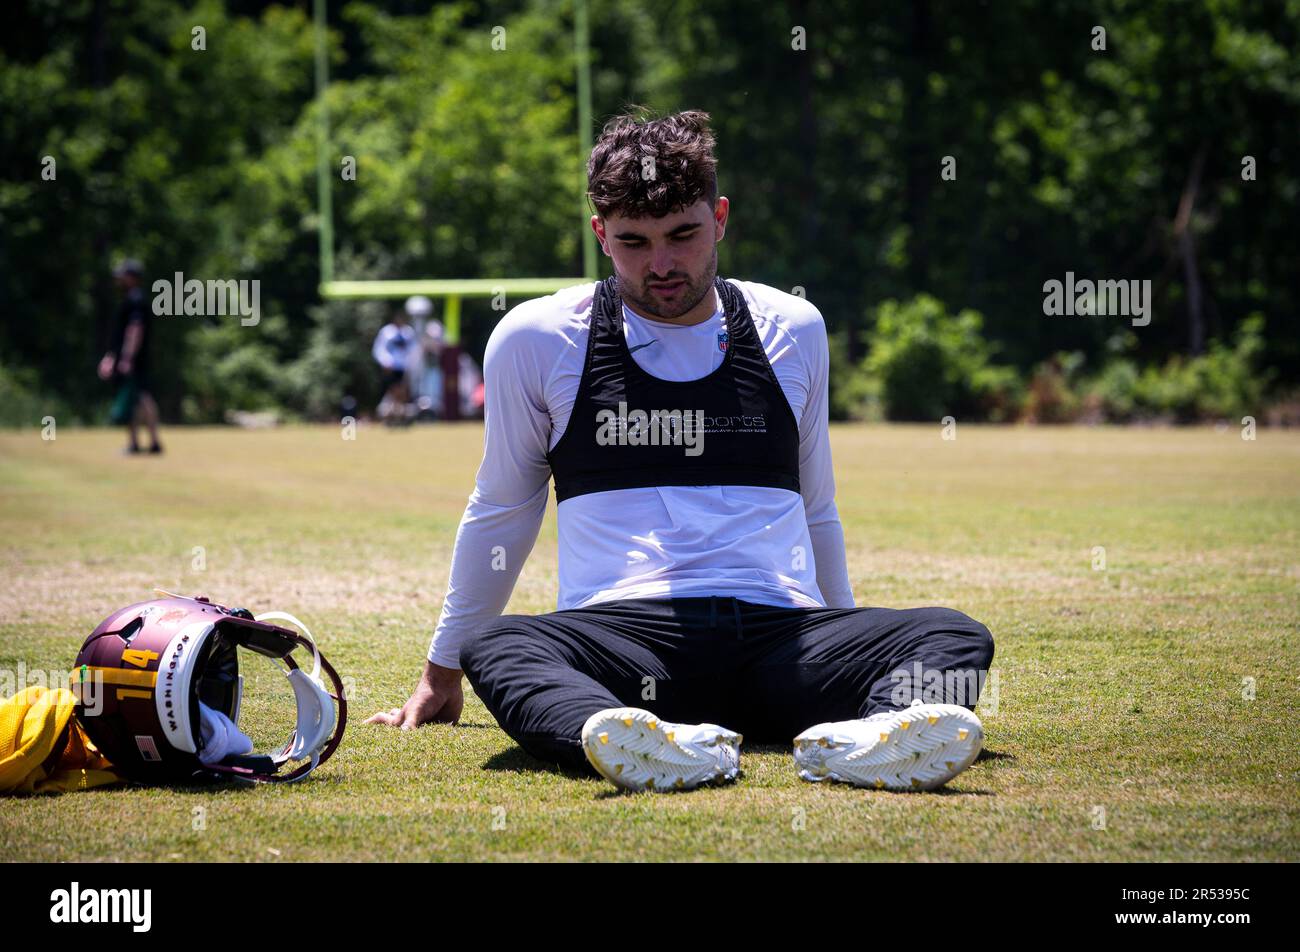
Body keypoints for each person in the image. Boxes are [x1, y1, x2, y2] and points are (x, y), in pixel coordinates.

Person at [368, 110, 995, 794]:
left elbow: (816, 504)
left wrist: (838, 630)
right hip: (627, 639)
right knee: (497, 645)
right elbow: (501, 509)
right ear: (599, 232)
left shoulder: (793, 327)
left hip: (781, 640)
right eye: (633, 242)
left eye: (683, 236)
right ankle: (647, 744)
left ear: (719, 218)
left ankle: (868, 741)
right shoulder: (540, 337)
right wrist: (441, 673)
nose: (661, 265)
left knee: (955, 635)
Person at [97, 259, 162, 455]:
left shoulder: (135, 300)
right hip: (127, 358)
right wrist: (111, 356)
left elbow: (135, 330)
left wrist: (126, 358)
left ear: (132, 278)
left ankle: (153, 442)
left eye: (122, 275)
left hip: (133, 360)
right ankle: (137, 443)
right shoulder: (130, 299)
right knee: (134, 399)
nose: (119, 279)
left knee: (141, 397)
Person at [371, 298, 421, 424]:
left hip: (403, 368)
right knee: (392, 391)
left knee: (403, 392)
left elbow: (413, 350)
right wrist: (385, 362)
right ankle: (390, 416)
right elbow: (379, 348)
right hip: (390, 368)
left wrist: (411, 364)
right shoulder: (387, 332)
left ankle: (401, 416)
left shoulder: (408, 332)